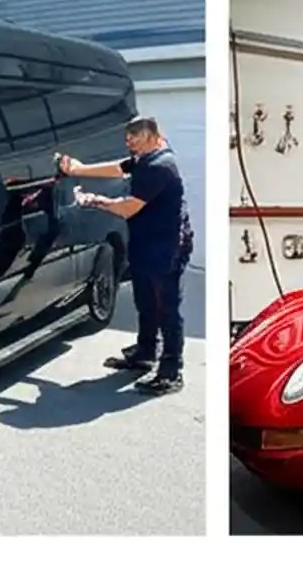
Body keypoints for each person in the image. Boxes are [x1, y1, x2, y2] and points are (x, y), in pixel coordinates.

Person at [55, 116, 193, 396]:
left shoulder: (159, 165)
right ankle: (145, 353)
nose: (130, 144)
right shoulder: (146, 156)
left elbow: (127, 208)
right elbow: (118, 168)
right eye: (128, 140)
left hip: (167, 247)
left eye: (135, 139)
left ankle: (170, 370)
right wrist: (79, 169)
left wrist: (93, 200)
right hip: (146, 242)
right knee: (145, 301)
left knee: (166, 308)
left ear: (152, 136)